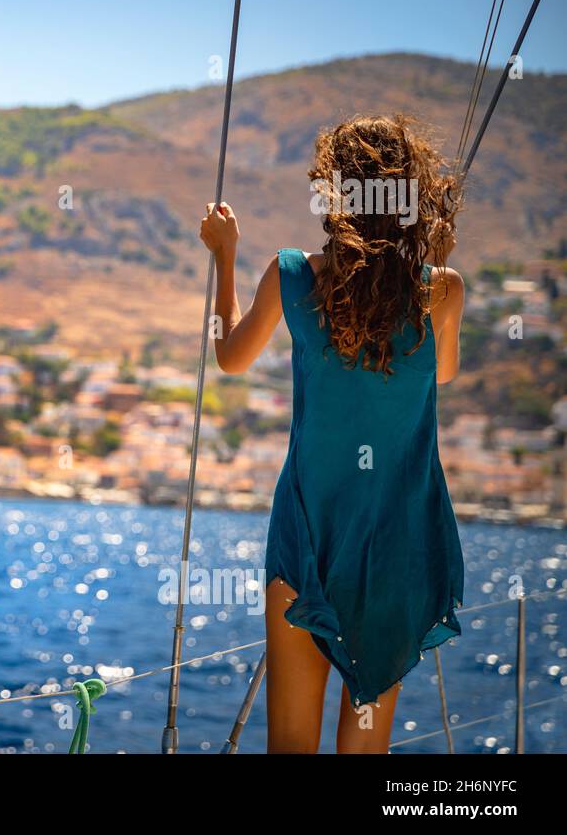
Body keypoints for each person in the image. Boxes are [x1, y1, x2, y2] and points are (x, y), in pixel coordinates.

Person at [197, 114, 465, 753]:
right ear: (410, 195)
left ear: (334, 192)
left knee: (291, 743)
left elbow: (228, 355)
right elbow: (444, 373)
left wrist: (224, 260)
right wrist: (435, 268)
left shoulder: (292, 276)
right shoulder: (442, 292)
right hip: (398, 546)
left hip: (308, 537)